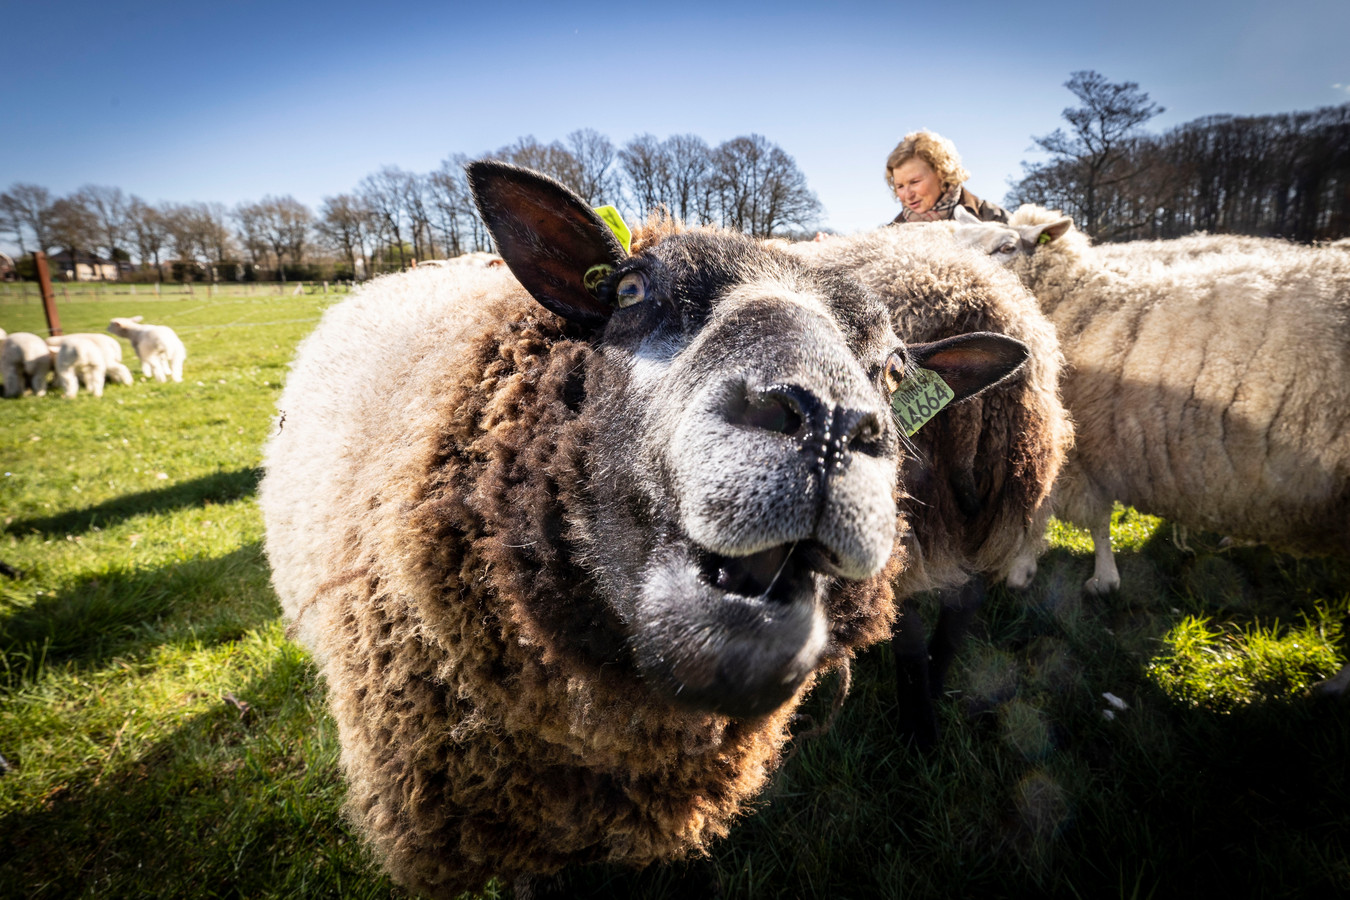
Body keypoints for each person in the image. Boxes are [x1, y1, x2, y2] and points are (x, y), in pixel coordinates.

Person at [885, 130, 1009, 224]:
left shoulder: (993, 219)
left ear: (942, 174)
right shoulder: (890, 236)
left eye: (915, 182)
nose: (908, 195)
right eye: (900, 186)